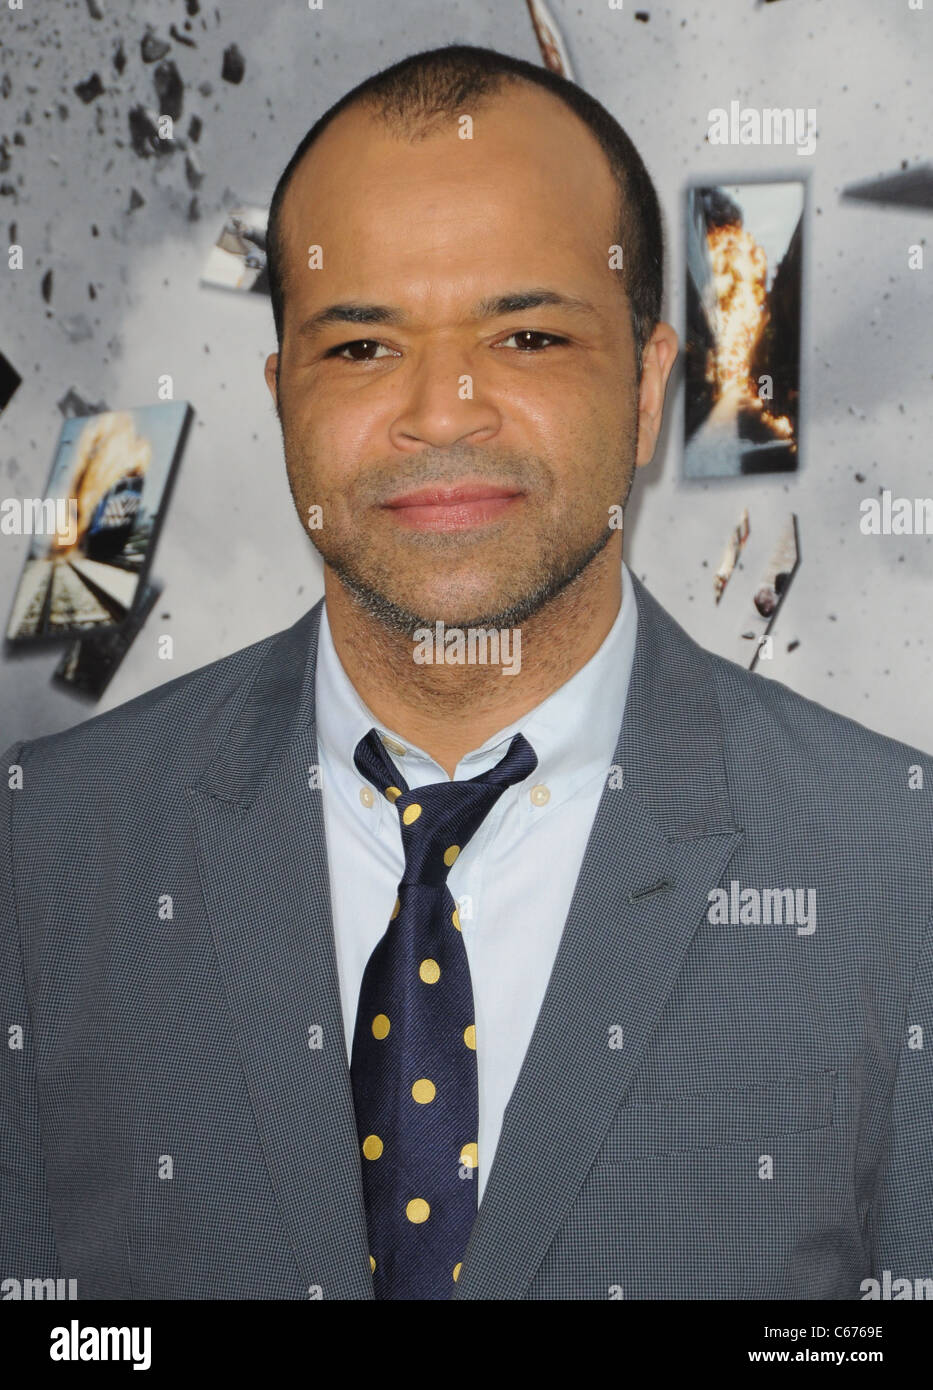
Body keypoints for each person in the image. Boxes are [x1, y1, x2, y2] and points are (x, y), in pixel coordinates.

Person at [2, 44, 930, 1303]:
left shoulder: (900, 871)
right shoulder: (41, 850)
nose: (442, 412)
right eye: (361, 347)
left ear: (649, 388)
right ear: (281, 397)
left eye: (528, 335)